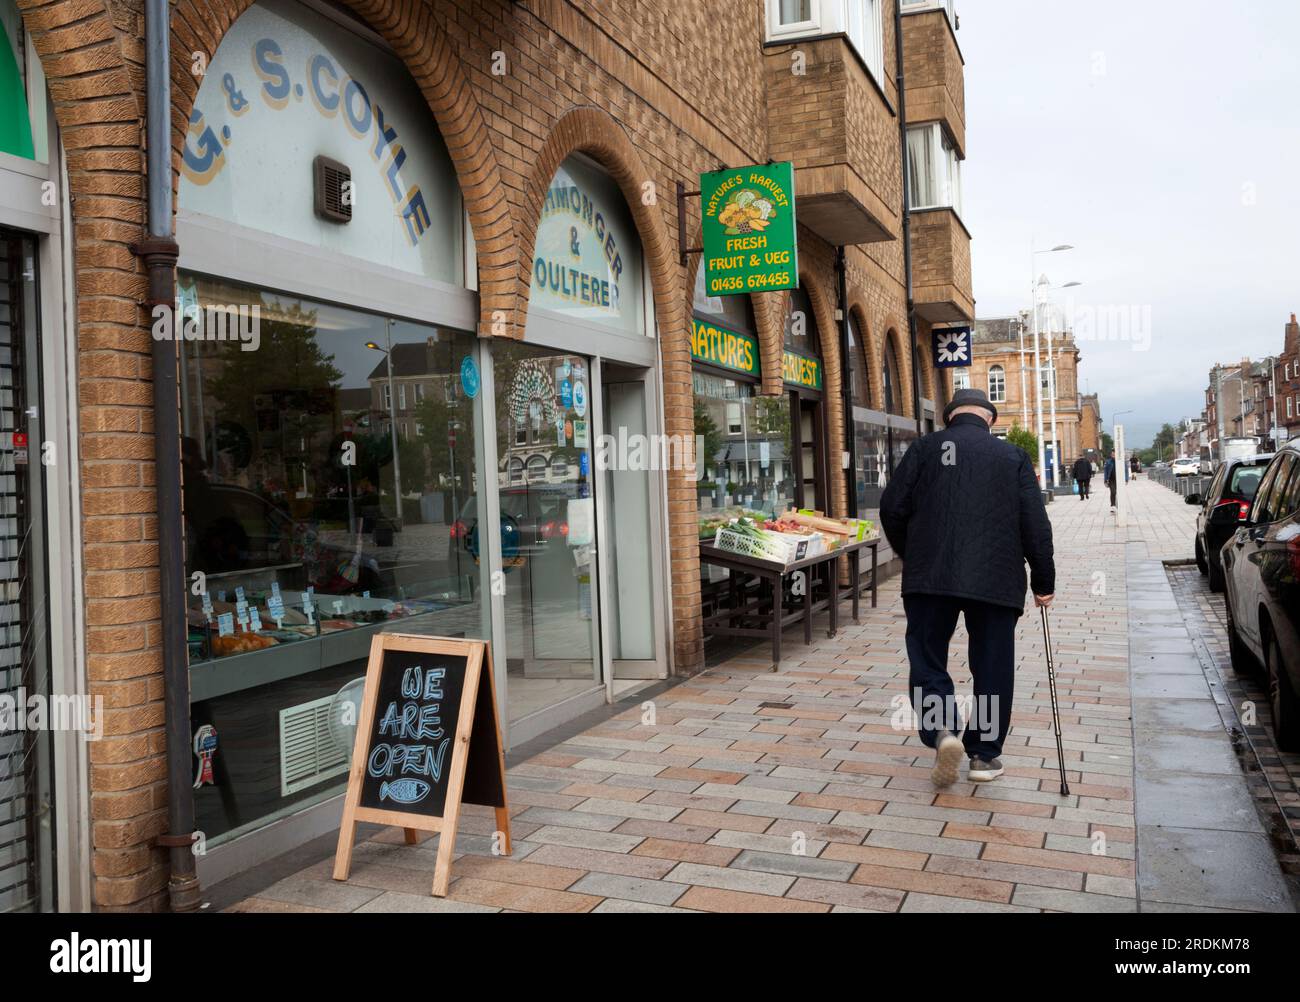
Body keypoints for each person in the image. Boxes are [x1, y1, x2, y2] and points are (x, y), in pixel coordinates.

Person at [880, 388, 1056, 788]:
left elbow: (892, 508)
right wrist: (1044, 582)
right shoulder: (1011, 456)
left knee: (927, 658)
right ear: (990, 420)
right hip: (995, 579)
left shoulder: (926, 448)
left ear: (950, 418)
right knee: (992, 665)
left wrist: (915, 554)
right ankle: (983, 755)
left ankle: (942, 730)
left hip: (930, 579)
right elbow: (1035, 525)